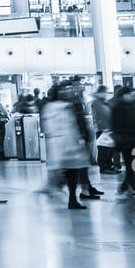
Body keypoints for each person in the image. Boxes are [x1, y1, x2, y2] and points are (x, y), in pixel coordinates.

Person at [41, 81, 92, 210]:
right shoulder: (62, 107)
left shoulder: (55, 107)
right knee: (69, 171)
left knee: (71, 172)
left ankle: (71, 198)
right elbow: (66, 126)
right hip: (65, 144)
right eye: (64, 90)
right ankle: (65, 195)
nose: (67, 92)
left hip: (64, 144)